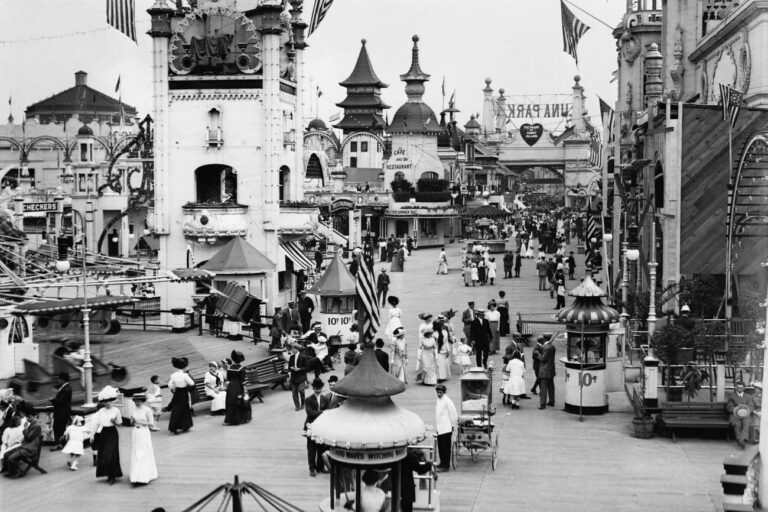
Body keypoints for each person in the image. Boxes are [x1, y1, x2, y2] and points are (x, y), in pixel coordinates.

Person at [1, 402, 42, 479]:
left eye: (29, 417)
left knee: (11, 458)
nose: (27, 419)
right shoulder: (33, 424)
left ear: (34, 416)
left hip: (29, 450)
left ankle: (16, 471)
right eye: (27, 417)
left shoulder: (37, 426)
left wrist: (25, 429)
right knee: (6, 454)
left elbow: (28, 438)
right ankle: (9, 470)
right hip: (24, 447)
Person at [92, 386, 123, 484]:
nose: (107, 403)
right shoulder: (101, 411)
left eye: (109, 401)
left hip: (112, 433)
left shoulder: (116, 411)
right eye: (105, 401)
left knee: (111, 455)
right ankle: (109, 475)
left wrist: (114, 422)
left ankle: (113, 476)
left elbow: (120, 424)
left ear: (112, 401)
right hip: (103, 433)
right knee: (104, 455)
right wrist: (92, 435)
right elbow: (96, 423)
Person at [129, 393, 158, 486]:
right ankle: (135, 476)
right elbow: (131, 422)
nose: (137, 403)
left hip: (144, 432)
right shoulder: (133, 409)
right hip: (135, 432)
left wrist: (140, 422)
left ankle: (143, 477)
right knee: (136, 453)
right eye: (135, 401)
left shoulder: (147, 410)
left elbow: (151, 424)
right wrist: (132, 421)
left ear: (142, 401)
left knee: (143, 453)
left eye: (139, 401)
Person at [304, 378, 329, 477]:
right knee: (311, 448)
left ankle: (320, 467)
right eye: (316, 388)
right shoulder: (308, 400)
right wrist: (323, 412)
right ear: (313, 388)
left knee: (321, 448)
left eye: (319, 388)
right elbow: (310, 413)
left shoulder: (325, 399)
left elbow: (328, 412)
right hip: (311, 427)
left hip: (322, 427)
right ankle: (312, 468)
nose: (318, 390)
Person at [727, 381, 759, 449]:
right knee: (737, 424)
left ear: (744, 388)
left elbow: (751, 407)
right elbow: (729, 407)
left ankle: (742, 439)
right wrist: (737, 409)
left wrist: (745, 409)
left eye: (741, 388)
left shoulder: (748, 397)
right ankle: (740, 440)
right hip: (735, 414)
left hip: (745, 414)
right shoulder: (732, 396)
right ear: (736, 388)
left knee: (746, 423)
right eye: (738, 388)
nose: (739, 389)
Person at [400, 447, 432, 512]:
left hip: (396, 488)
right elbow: (420, 469)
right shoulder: (409, 457)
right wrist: (429, 464)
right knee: (407, 508)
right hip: (407, 489)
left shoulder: (396, 455)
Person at [167, 357, 194, 434]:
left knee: (176, 409)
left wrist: (174, 387)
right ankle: (185, 425)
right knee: (185, 409)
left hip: (177, 393)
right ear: (184, 367)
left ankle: (173, 427)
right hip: (184, 392)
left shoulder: (173, 375)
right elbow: (192, 383)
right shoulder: (185, 375)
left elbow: (169, 385)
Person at [224, 351, 252, 425]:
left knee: (230, 402)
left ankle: (230, 419)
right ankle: (243, 418)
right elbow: (243, 381)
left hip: (231, 387)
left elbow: (228, 378)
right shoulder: (241, 369)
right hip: (238, 387)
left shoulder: (230, 368)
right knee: (241, 401)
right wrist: (245, 391)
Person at [434, 384, 457, 472]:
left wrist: (453, 425)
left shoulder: (447, 401)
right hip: (440, 428)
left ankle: (446, 466)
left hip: (447, 428)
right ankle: (442, 462)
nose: (439, 394)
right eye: (438, 392)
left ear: (444, 392)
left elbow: (453, 413)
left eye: (440, 392)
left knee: (446, 448)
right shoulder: (438, 400)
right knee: (440, 447)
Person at [50, 371, 72, 451]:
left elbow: (60, 401)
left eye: (59, 379)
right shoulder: (66, 387)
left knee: (58, 428)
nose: (58, 381)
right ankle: (60, 444)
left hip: (61, 412)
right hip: (63, 412)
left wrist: (52, 400)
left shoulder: (66, 389)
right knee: (60, 428)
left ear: (63, 380)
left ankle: (59, 444)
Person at [287, 343, 309, 411]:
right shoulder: (291, 357)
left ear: (296, 349)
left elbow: (307, 368)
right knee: (294, 393)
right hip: (293, 377)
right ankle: (297, 406)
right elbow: (289, 368)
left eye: (293, 348)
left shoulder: (303, 357)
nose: (292, 350)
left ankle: (303, 403)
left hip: (301, 377)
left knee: (301, 390)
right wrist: (292, 368)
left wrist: (299, 369)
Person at [538, 334, 556, 409]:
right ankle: (551, 401)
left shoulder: (546, 347)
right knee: (551, 386)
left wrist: (538, 354)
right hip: (551, 369)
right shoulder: (552, 346)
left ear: (544, 339)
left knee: (543, 388)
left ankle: (542, 403)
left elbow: (543, 359)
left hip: (544, 370)